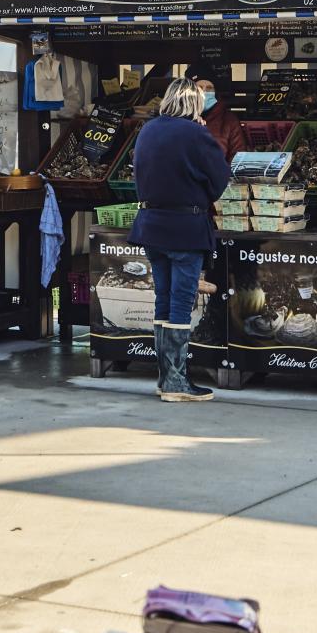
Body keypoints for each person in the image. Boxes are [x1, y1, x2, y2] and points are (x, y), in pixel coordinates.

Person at [128, 77, 232, 401]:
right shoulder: (196, 133)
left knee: (163, 299)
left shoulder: (148, 129)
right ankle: (176, 383)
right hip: (185, 228)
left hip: (151, 227)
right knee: (181, 304)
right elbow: (219, 180)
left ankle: (165, 378)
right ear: (194, 103)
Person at [194, 66, 245, 157]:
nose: (204, 92)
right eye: (200, 87)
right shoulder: (180, 119)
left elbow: (237, 157)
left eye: (209, 88)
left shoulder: (229, 120)